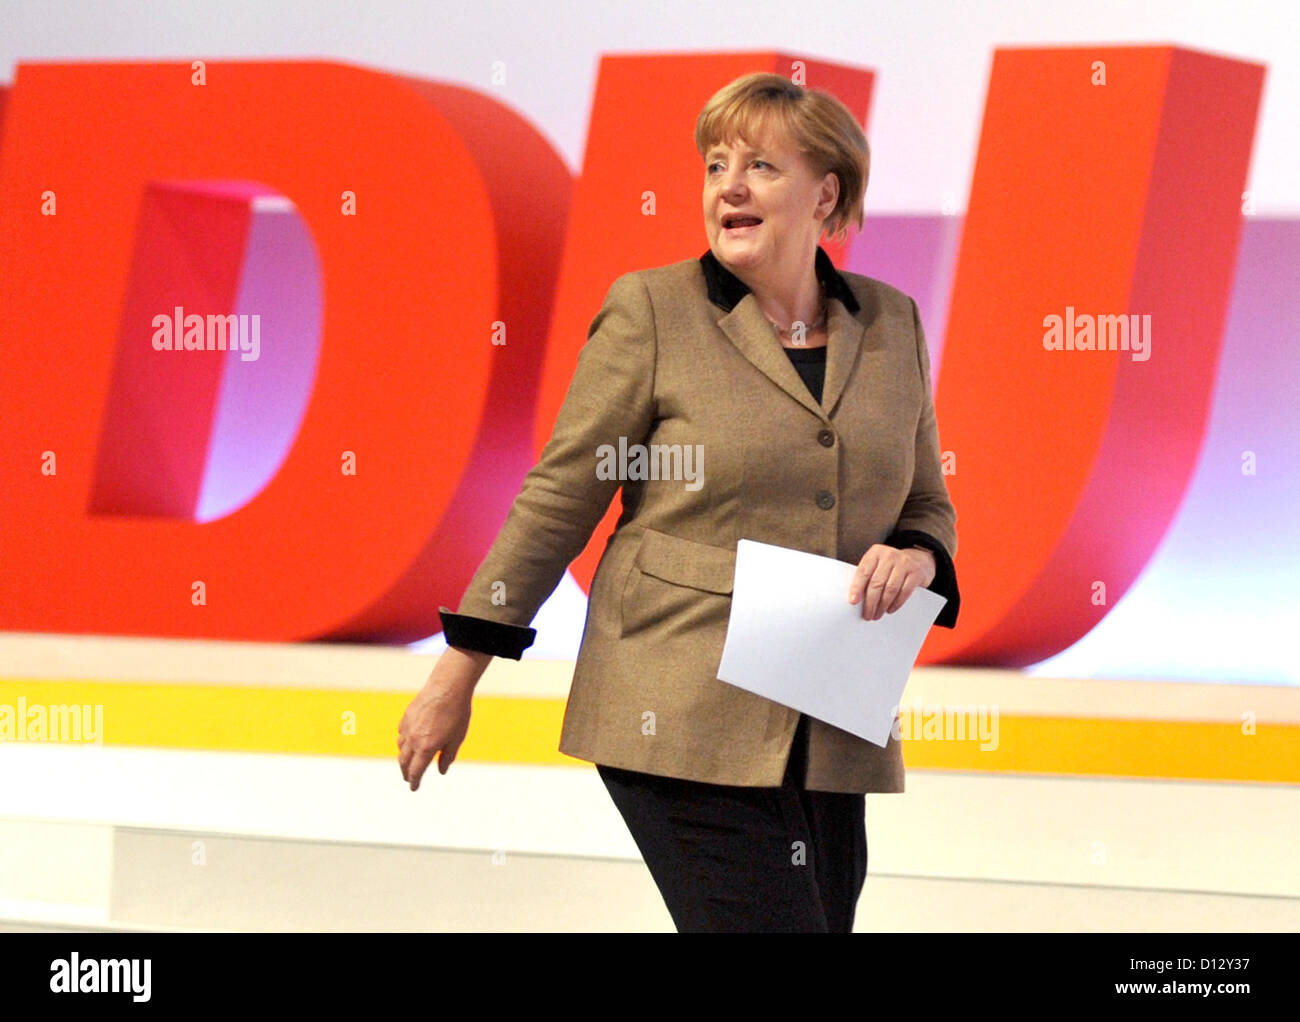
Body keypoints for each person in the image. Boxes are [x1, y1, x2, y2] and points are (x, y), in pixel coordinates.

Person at [398, 71, 960, 932]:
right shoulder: (652, 310)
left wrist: (917, 554)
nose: (729, 185)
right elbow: (561, 496)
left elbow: (926, 497)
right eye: (716, 164)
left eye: (763, 166)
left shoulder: (894, 323)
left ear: (827, 194)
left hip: (829, 718)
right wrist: (460, 666)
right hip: (679, 701)